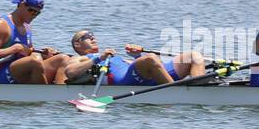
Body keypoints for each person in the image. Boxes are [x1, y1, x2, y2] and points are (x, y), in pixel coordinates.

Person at [58, 31, 205, 86]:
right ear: (77, 44)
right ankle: (177, 94)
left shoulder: (110, 55)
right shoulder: (80, 58)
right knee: (151, 58)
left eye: (93, 35)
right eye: (87, 36)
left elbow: (136, 64)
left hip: (149, 74)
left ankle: (200, 90)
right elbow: (70, 72)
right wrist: (98, 58)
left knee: (193, 55)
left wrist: (137, 56)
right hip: (127, 81)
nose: (93, 37)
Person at [0, 0, 65, 84]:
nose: (34, 15)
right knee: (35, 60)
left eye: (37, 13)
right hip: (2, 74)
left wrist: (45, 55)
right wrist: (15, 48)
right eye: (31, 11)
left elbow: (28, 53)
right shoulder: (1, 24)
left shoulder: (27, 26)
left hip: (23, 71)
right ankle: (45, 95)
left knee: (62, 59)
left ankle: (61, 93)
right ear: (21, 5)